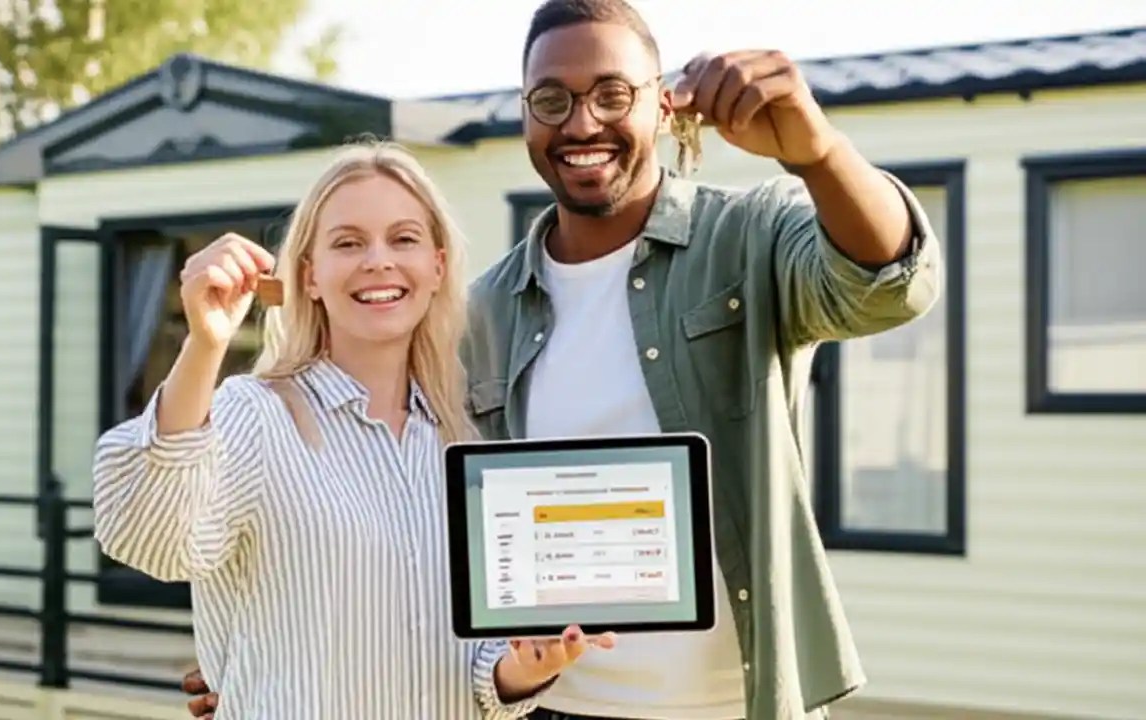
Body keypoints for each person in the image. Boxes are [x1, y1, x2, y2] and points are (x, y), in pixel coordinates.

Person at [183, 0, 943, 716]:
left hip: (733, 701)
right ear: (525, 114)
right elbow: (391, 502)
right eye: (552, 100)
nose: (583, 122)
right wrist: (271, 651)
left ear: (662, 102)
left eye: (613, 95)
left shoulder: (748, 239)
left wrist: (819, 153)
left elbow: (887, 287)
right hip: (540, 704)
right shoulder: (479, 313)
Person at [91, 140, 613, 720]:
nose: (378, 260)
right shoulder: (256, 415)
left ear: (437, 266)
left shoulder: (461, 440)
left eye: (404, 238)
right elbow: (153, 538)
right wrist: (204, 346)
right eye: (348, 243)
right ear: (309, 277)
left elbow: (468, 667)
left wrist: (523, 670)